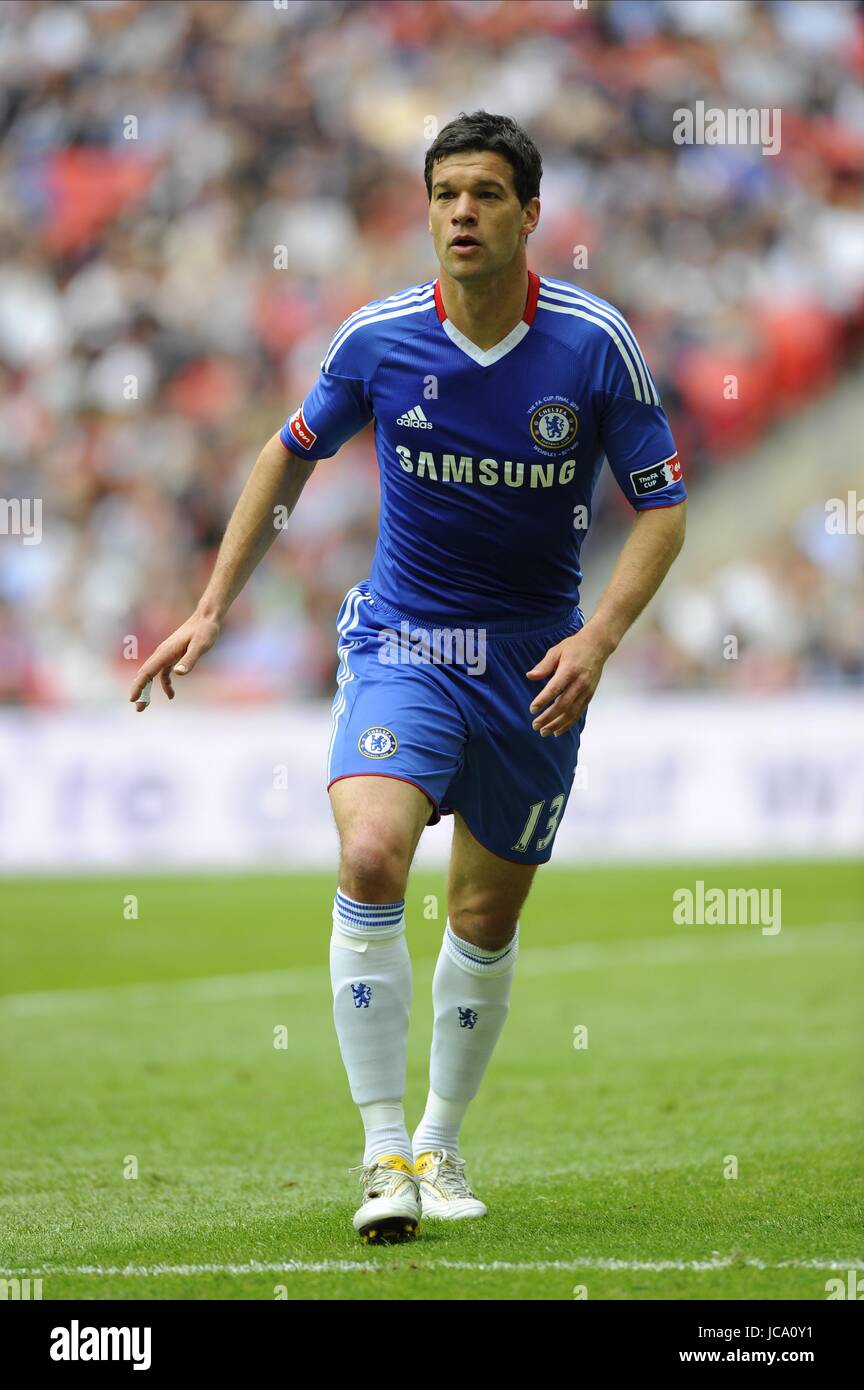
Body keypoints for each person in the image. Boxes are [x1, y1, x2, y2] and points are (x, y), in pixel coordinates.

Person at [130, 110, 687, 1245]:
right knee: (374, 848)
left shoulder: (592, 343)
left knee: (485, 912)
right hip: (405, 642)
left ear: (531, 214)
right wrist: (211, 605)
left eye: (486, 194)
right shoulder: (377, 339)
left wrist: (598, 640)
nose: (463, 214)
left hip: (534, 659)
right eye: (445, 195)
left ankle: (440, 1137)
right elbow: (289, 449)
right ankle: (383, 1149)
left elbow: (664, 509)